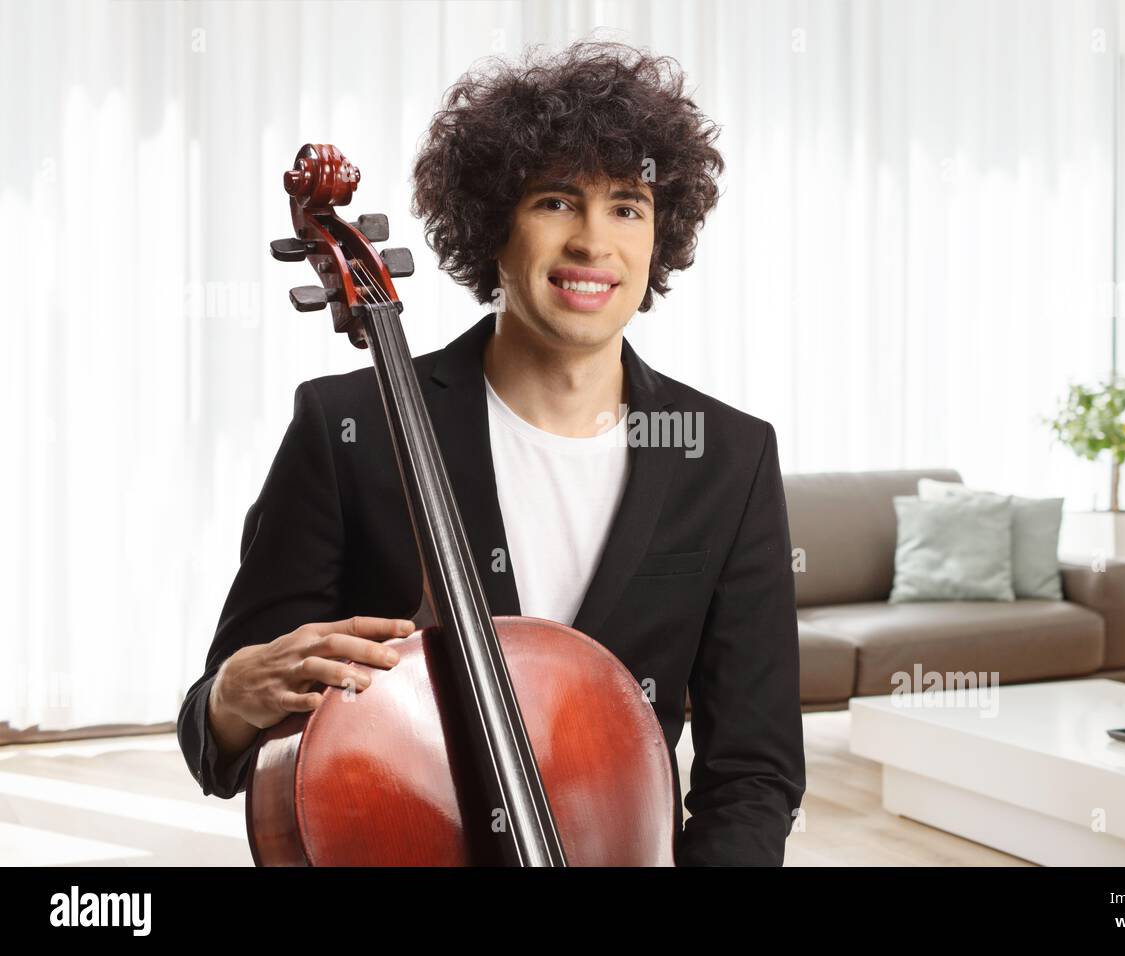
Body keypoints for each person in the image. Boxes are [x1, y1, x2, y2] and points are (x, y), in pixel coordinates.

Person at [177, 40, 805, 866]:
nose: (592, 242)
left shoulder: (729, 456)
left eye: (627, 206)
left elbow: (752, 773)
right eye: (555, 202)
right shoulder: (345, 428)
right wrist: (231, 696)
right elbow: (215, 736)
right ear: (492, 230)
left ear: (662, 235)